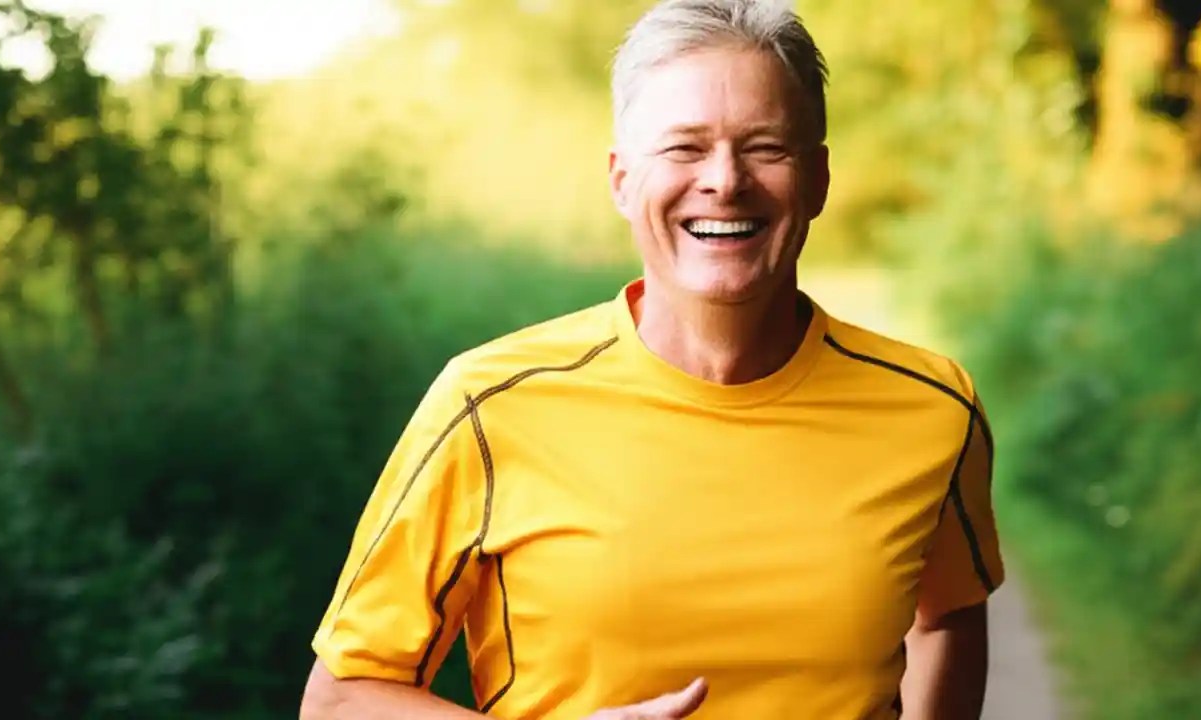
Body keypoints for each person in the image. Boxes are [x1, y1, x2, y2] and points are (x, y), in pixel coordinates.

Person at [299, 0, 1003, 717]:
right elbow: (340, 701)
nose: (725, 180)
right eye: (684, 148)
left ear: (818, 180)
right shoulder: (489, 406)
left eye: (765, 146)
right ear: (621, 181)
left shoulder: (932, 409)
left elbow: (948, 616)